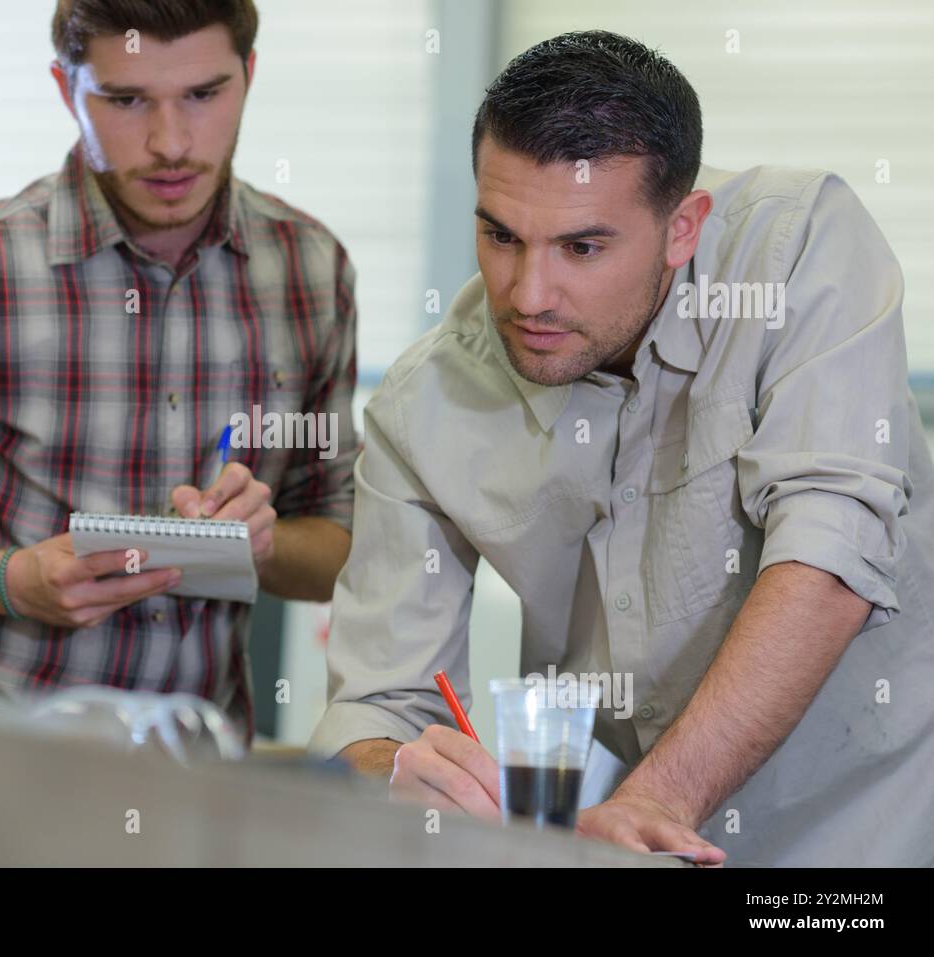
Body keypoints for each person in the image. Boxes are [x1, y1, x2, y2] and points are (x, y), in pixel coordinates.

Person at [310, 30, 934, 866]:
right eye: (501, 236)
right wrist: (397, 774)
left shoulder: (799, 253)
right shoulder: (422, 405)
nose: (529, 295)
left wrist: (657, 798)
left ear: (683, 229)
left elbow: (827, 561)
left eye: (582, 247)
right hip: (616, 835)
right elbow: (375, 706)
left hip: (862, 821)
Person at [0, 0, 357, 740]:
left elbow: (337, 548)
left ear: (249, 74)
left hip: (194, 778)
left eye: (204, 95)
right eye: (125, 99)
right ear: (64, 89)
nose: (171, 142)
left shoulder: (312, 272)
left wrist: (262, 544)